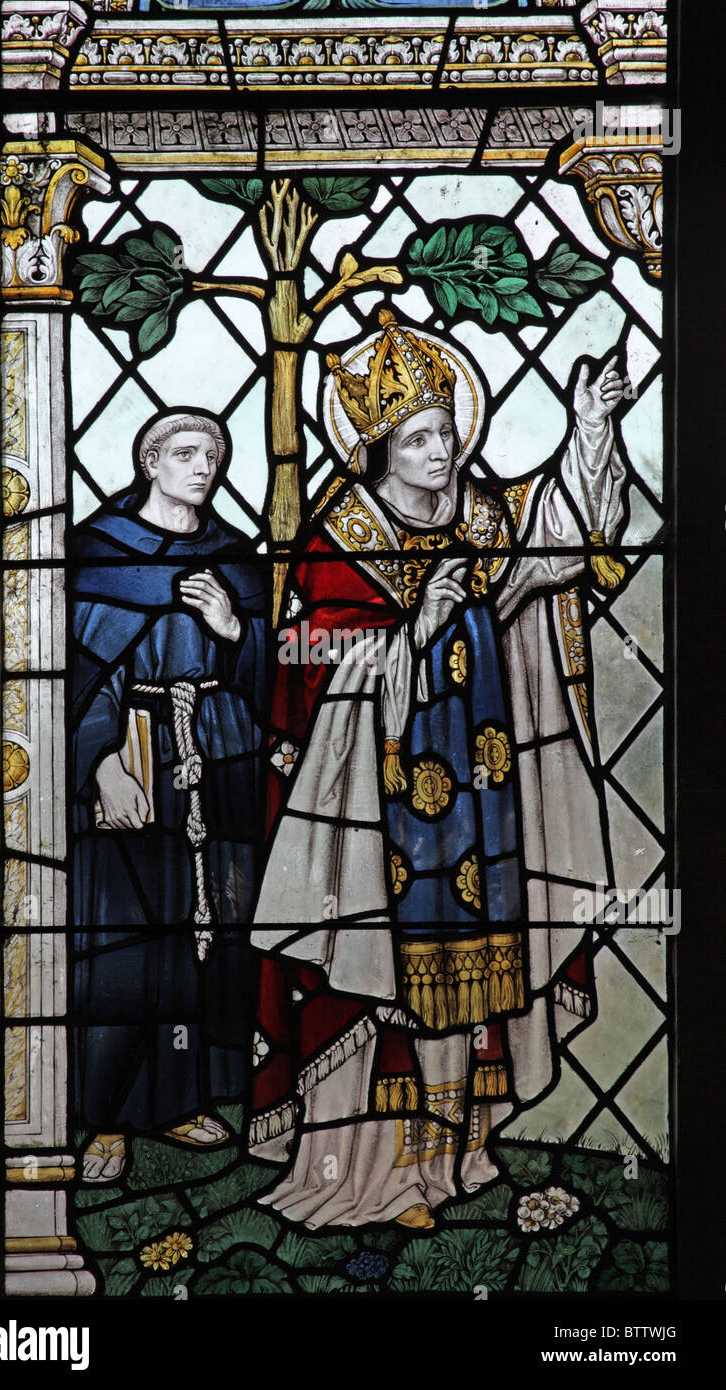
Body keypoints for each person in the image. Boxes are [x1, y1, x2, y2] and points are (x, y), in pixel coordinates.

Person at [248, 309, 627, 1228]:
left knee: (479, 978)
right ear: (377, 448)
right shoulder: (342, 535)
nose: (439, 450)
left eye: (447, 432)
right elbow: (302, 656)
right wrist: (410, 632)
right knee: (381, 982)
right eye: (417, 436)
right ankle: (371, 1176)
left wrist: (590, 431)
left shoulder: (487, 517)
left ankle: (455, 1157)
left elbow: (558, 553)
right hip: (371, 813)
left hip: (488, 801)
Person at [72, 409, 265, 1182]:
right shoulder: (97, 554)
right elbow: (76, 665)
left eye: (213, 455)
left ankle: (182, 1100)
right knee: (125, 938)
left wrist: (233, 633)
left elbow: (270, 670)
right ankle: (105, 1119)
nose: (202, 468)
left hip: (218, 754)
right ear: (150, 461)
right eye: (185, 453)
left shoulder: (235, 560)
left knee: (208, 931)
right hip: (133, 746)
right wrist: (102, 766)